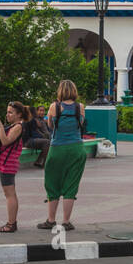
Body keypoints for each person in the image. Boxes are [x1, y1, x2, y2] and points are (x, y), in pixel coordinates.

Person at [39, 80, 87, 231]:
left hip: (57, 149)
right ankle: (66, 221)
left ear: (60, 91)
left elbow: (50, 126)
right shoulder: (80, 107)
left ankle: (51, 220)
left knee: (52, 183)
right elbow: (81, 124)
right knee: (71, 185)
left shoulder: (54, 106)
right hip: (76, 149)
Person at [0, 102, 27, 233]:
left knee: (10, 195)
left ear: (19, 114)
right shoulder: (13, 125)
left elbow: (5, 141)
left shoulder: (18, 127)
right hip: (5, 163)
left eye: (11, 112)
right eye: (7, 111)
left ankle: (11, 224)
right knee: (9, 194)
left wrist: (0, 125)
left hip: (9, 164)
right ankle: (12, 223)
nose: (8, 114)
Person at [23, 104, 51, 168]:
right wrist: (42, 136)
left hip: (30, 140)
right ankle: (43, 163)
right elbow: (34, 134)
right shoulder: (30, 120)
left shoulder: (33, 120)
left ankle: (39, 161)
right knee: (47, 142)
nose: (37, 113)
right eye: (36, 111)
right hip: (28, 141)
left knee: (47, 143)